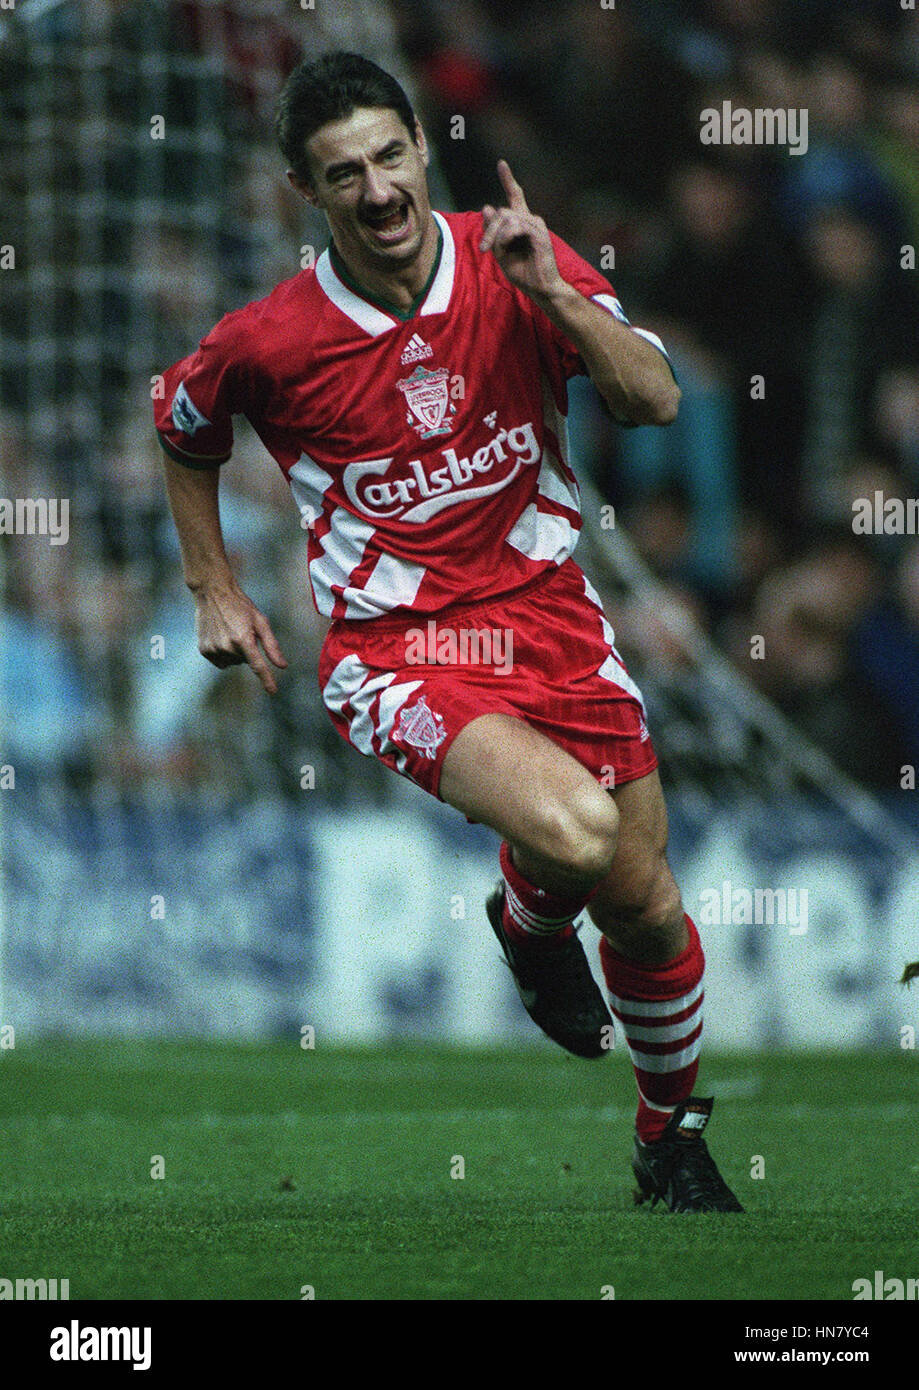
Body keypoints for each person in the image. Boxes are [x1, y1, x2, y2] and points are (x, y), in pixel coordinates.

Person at [155, 51, 742, 1213]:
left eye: (386, 156)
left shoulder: (514, 252)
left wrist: (555, 296)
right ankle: (528, 930)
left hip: (553, 613)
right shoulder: (271, 339)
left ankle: (667, 1140)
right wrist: (210, 585)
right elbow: (183, 423)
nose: (374, 188)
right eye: (341, 174)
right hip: (400, 645)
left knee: (648, 903)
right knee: (574, 838)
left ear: (422, 148)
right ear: (305, 195)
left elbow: (657, 397)